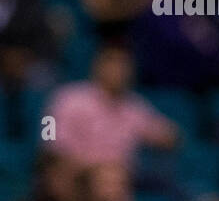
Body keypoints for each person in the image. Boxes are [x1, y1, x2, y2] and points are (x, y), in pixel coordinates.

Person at [45, 44, 179, 170]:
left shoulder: (134, 105)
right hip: (78, 171)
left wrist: (167, 136)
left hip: (119, 175)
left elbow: (168, 136)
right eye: (113, 64)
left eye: (124, 66)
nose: (119, 71)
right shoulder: (69, 98)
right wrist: (94, 166)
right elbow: (52, 144)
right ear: (98, 66)